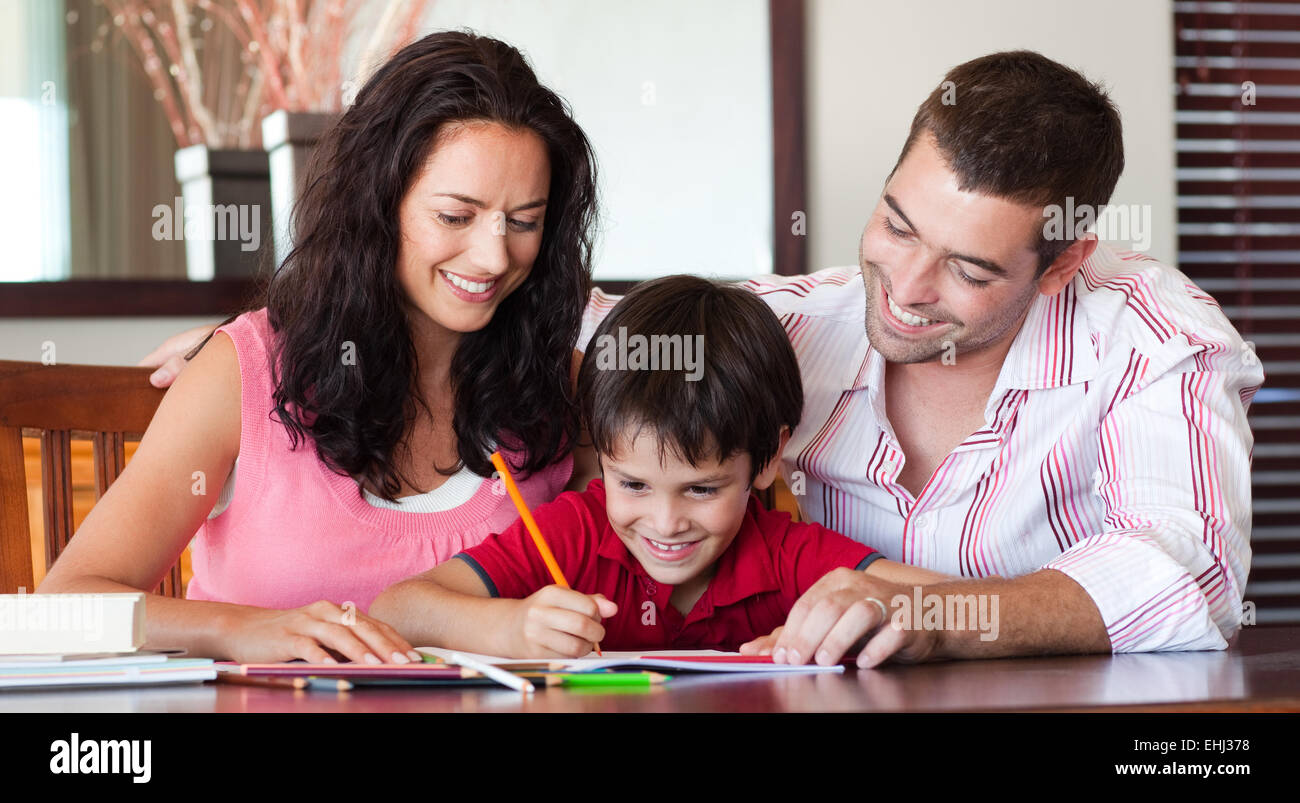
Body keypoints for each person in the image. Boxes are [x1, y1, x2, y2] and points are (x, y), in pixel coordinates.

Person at [575, 51, 1264, 668]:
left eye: (969, 270)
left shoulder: (1154, 339)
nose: (905, 289)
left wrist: (939, 612)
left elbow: (1189, 577)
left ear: (1063, 263)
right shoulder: (799, 325)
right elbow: (563, 326)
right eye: (897, 227)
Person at [38, 31, 599, 664]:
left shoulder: (560, 389)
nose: (495, 255)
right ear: (379, 203)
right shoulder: (241, 371)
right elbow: (68, 604)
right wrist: (239, 630)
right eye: (455, 216)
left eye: (523, 222)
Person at [369, 276, 948, 655]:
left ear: (769, 458)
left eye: (700, 489)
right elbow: (400, 607)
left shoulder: (785, 553)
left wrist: (850, 620)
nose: (665, 522)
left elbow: (958, 602)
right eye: (634, 484)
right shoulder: (576, 532)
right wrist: (512, 628)